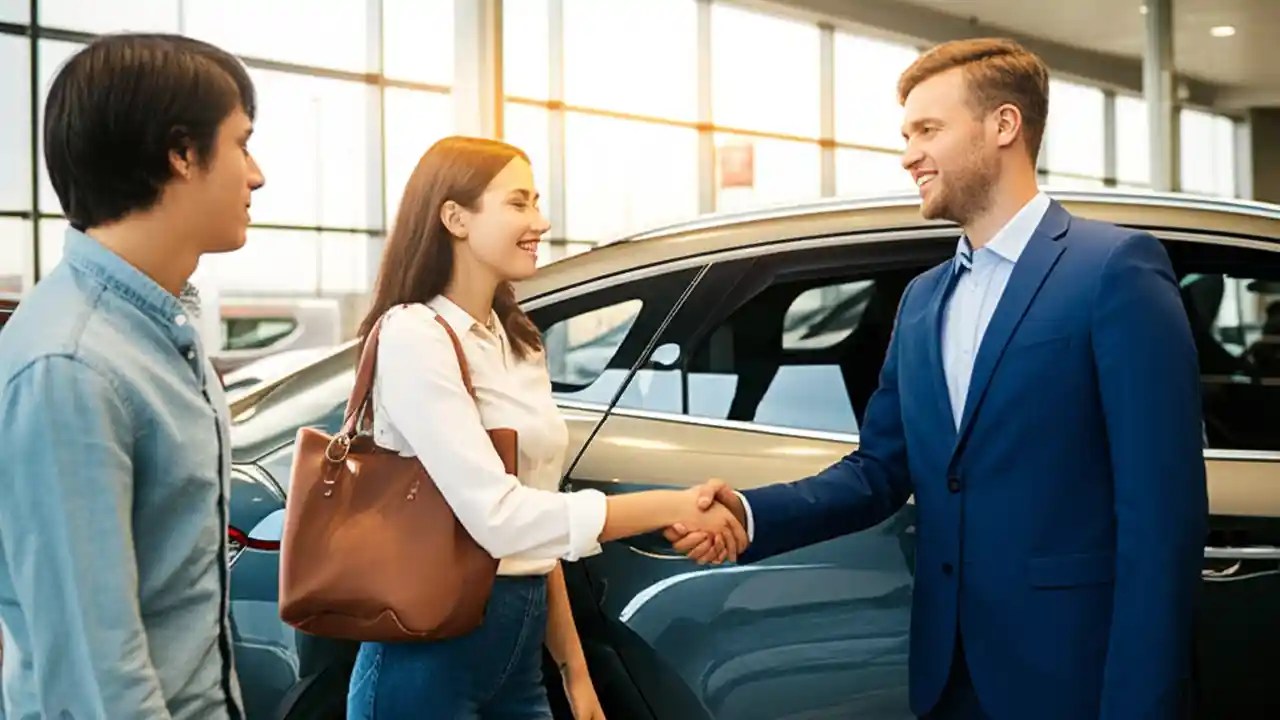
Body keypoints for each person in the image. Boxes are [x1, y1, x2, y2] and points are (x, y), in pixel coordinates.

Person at [669, 38, 1207, 719]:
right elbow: (878, 471)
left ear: (1003, 126)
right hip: (946, 678)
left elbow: (1162, 518)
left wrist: (1140, 704)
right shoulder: (923, 298)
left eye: (928, 130)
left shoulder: (1114, 269)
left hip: (1075, 676)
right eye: (906, 134)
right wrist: (749, 515)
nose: (908, 154)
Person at [345, 136, 747, 719]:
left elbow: (537, 517)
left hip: (517, 653)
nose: (540, 220)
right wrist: (672, 505)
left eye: (536, 202)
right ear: (454, 218)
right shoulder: (416, 334)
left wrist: (574, 672)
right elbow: (500, 519)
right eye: (518, 203)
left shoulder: (518, 341)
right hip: (425, 663)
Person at [0, 34, 264, 718]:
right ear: (181, 153)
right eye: (242, 143)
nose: (256, 174)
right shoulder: (73, 364)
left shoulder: (161, 327)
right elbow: (96, 676)